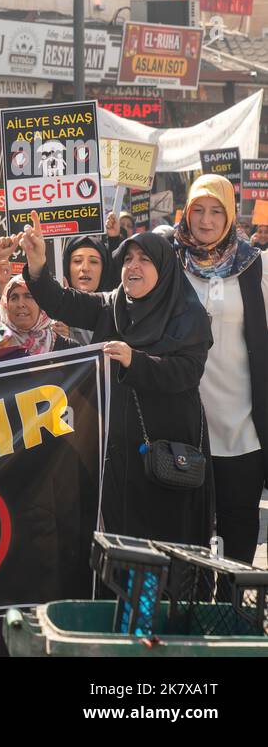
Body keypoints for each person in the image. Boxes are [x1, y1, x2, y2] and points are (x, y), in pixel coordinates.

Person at [22, 213, 212, 544]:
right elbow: (62, 302)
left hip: (170, 451)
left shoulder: (188, 313)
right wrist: (38, 268)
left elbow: (186, 372)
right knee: (126, 543)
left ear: (164, 268)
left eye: (144, 260)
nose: (133, 267)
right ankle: (132, 595)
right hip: (122, 453)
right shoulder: (113, 305)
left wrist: (134, 360)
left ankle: (163, 597)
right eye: (127, 259)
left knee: (170, 543)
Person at [172, 175, 268, 566]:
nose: (206, 221)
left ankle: (233, 611)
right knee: (186, 529)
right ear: (187, 211)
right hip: (183, 422)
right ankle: (187, 611)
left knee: (239, 524)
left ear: (230, 215)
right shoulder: (169, 263)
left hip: (241, 421)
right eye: (199, 210)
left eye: (216, 211)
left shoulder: (254, 267)